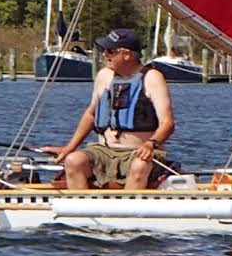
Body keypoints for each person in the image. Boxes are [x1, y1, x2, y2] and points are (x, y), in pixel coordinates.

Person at [43, 28, 175, 190]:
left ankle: (129, 212)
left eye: (110, 51)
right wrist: (69, 148)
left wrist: (150, 144)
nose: (105, 54)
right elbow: (91, 114)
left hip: (137, 152)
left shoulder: (152, 78)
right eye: (103, 50)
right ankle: (81, 211)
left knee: (139, 166)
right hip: (104, 150)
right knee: (74, 161)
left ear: (127, 55)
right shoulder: (103, 76)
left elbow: (167, 123)